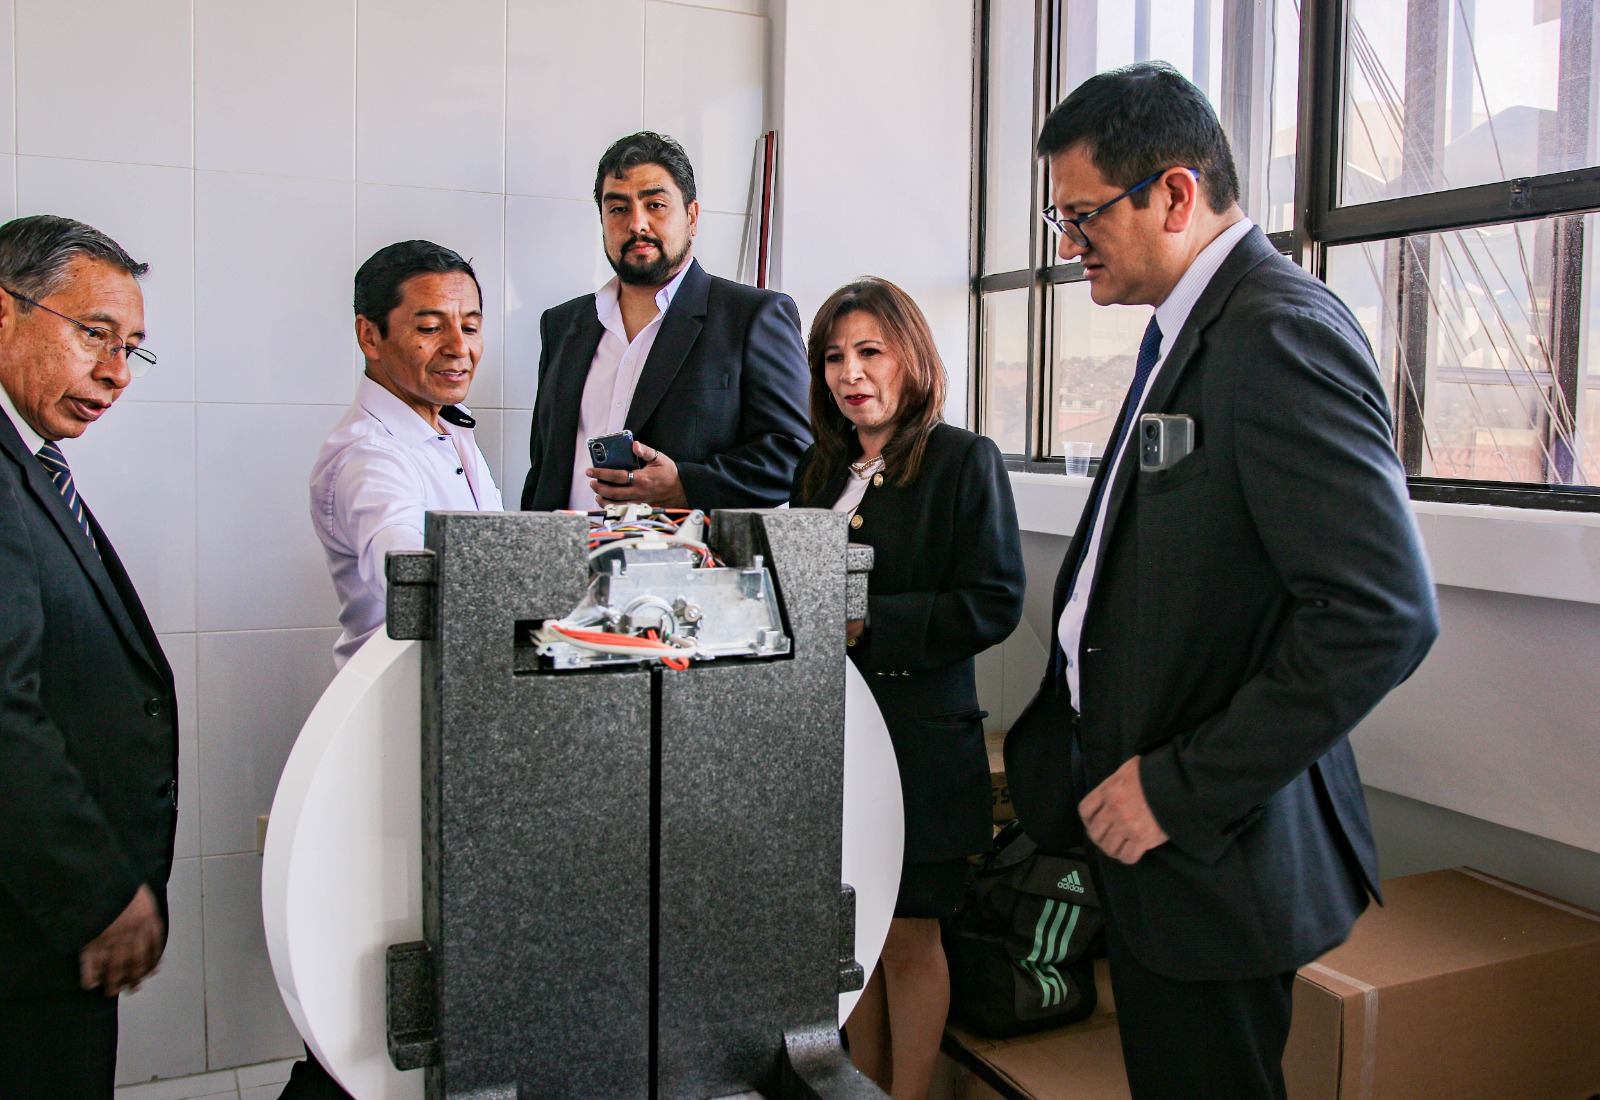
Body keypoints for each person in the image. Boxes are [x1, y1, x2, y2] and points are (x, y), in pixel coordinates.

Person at [1004, 63, 1440, 1099]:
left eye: (1080, 217)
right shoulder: (1188, 329)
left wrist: (1175, 788)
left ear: (1173, 192)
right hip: (1155, 847)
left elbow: (1381, 614)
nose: (1069, 249)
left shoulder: (1275, 330)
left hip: (1210, 843)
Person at [791, 277, 1024, 1100]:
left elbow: (995, 601)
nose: (850, 373)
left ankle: (911, 1095)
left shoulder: (964, 460)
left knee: (910, 935)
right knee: (855, 934)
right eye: (833, 358)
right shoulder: (818, 468)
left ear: (911, 358)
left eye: (869, 352)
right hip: (839, 733)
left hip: (920, 735)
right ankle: (864, 1087)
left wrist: (868, 623)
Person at [0, 214, 176, 1098]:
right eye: (93, 334)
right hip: (30, 932)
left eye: (131, 350)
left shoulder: (29, 463)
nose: (113, 372)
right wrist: (96, 891)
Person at [520, 131, 811, 512]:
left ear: (691, 216)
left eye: (655, 205)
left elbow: (798, 457)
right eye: (618, 209)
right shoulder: (562, 326)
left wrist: (685, 486)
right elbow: (544, 471)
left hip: (688, 564)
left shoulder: (752, 317)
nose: (637, 224)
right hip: (564, 562)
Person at [312, 240, 505, 670]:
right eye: (431, 328)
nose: (459, 347)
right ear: (370, 336)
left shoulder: (448, 425)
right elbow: (410, 577)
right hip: (404, 705)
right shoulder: (370, 455)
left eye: (470, 328)